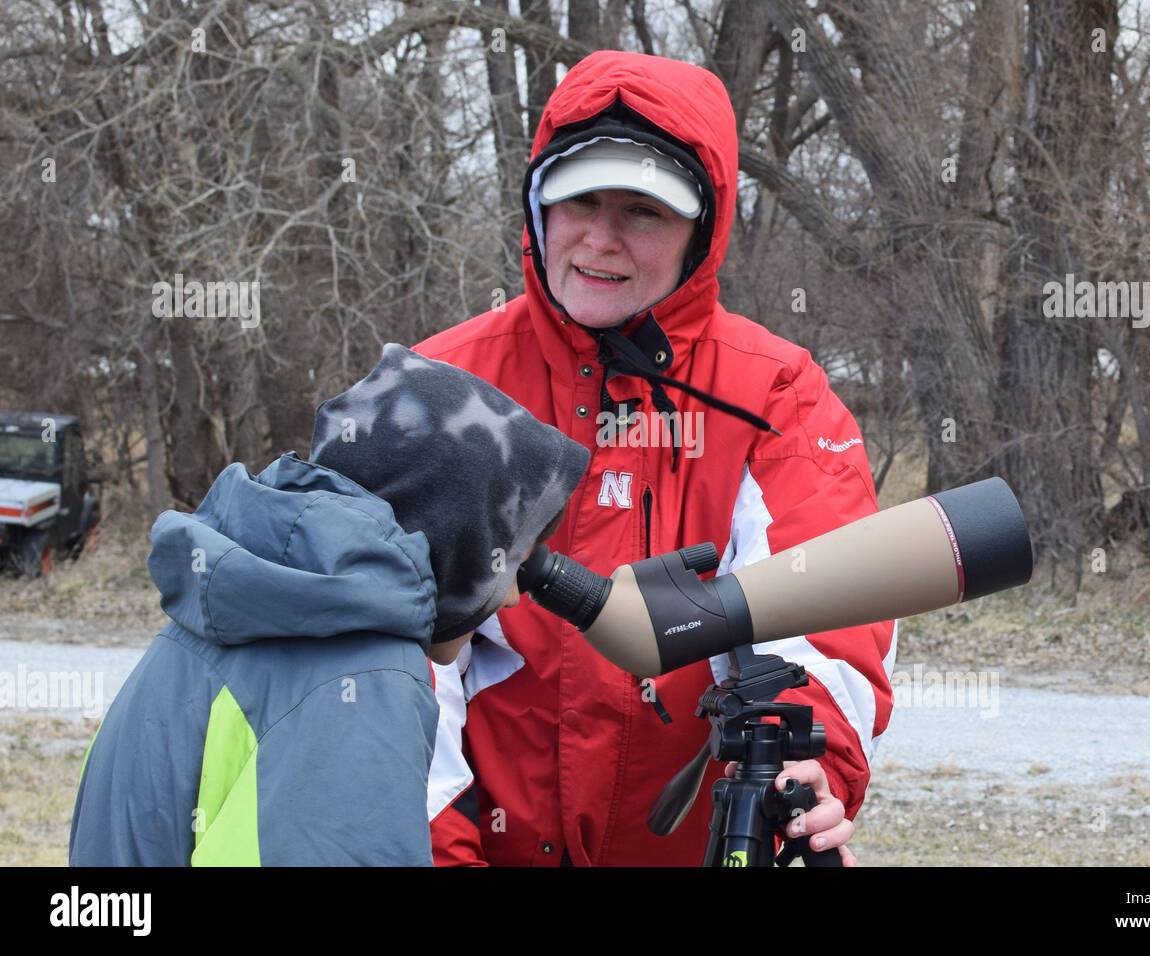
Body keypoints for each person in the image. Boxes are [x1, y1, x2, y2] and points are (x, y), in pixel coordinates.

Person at [415, 51, 898, 866]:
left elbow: (831, 608)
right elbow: (393, 663)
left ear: (700, 232)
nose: (600, 240)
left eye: (643, 211)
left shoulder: (776, 394)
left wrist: (806, 763)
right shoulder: (443, 392)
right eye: (579, 201)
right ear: (539, 206)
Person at [68, 344, 587, 866]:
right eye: (511, 558)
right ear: (455, 533)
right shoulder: (364, 675)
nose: (516, 597)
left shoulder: (225, 612)